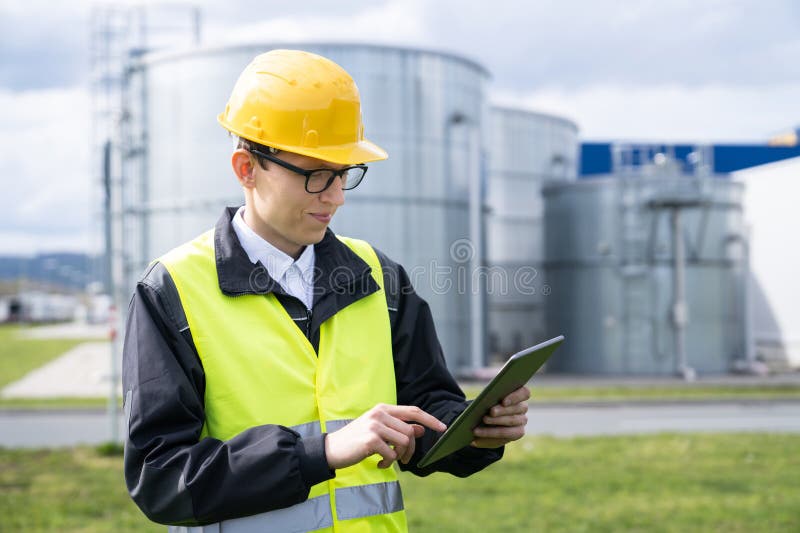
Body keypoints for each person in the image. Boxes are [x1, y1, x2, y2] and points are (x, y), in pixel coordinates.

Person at [122, 49, 530, 532]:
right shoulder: (171, 291)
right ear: (246, 168)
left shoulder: (381, 277)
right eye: (316, 175)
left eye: (343, 174)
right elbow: (161, 478)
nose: (335, 196)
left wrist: (476, 431)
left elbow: (426, 414)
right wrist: (324, 452)